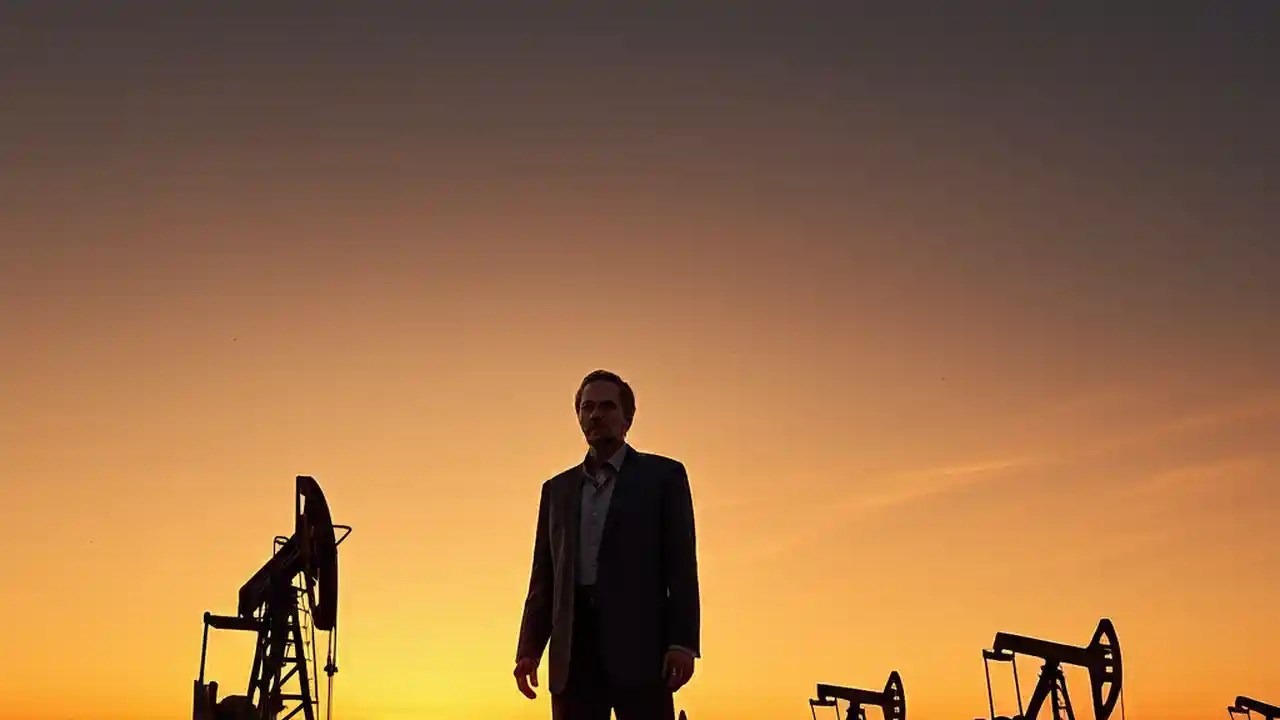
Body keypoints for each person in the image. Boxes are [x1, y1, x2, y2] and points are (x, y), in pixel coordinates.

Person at [514, 369, 701, 720]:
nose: (596, 415)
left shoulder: (663, 477)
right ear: (579, 416)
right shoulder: (557, 490)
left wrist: (683, 643)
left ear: (627, 417)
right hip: (573, 654)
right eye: (587, 407)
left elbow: (681, 566)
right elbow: (544, 577)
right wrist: (529, 649)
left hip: (643, 651)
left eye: (607, 406)